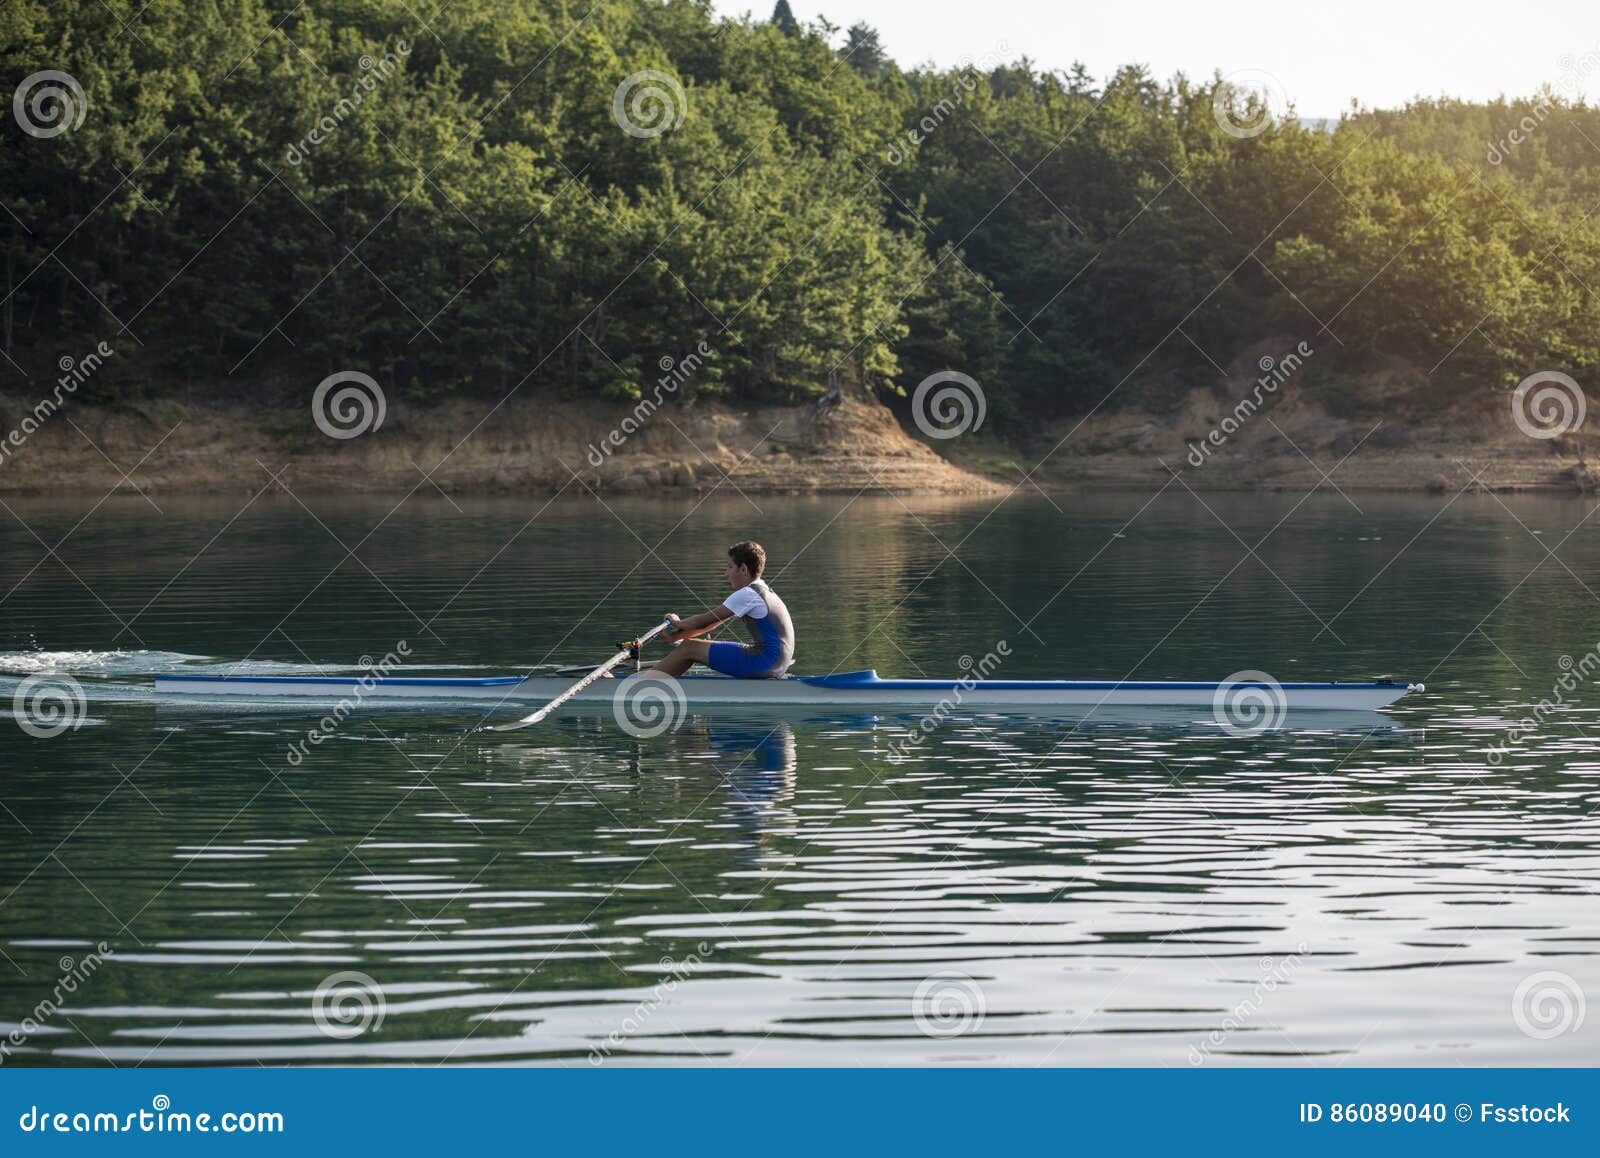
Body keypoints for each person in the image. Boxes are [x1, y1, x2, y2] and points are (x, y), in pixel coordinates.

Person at [646, 541, 794, 679]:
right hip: (776, 663)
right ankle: (659, 680)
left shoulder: (748, 594)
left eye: (730, 567)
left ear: (743, 569)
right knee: (694, 644)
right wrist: (674, 637)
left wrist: (675, 621)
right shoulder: (765, 590)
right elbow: (711, 625)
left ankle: (642, 685)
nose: (726, 574)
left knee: (688, 647)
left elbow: (702, 621)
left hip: (765, 662)